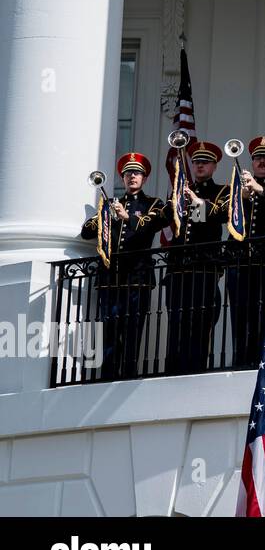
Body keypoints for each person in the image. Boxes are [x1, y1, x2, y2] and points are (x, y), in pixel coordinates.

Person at [79, 152, 168, 380]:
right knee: (109, 330)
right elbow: (86, 231)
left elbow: (156, 222)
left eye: (137, 174)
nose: (132, 177)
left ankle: (128, 374)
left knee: (132, 330)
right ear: (123, 178)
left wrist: (127, 217)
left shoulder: (152, 203)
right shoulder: (110, 204)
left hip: (137, 278)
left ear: (144, 179)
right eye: (128, 174)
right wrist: (105, 216)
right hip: (111, 279)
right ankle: (107, 374)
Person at [211, 135, 265, 369]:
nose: (261, 162)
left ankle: (264, 361)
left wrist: (260, 190)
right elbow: (217, 215)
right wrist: (240, 197)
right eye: (258, 157)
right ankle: (241, 360)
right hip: (240, 262)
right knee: (240, 315)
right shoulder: (237, 188)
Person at [163, 140, 225, 375]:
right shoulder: (182, 190)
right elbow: (167, 219)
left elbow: (217, 217)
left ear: (214, 166)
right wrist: (179, 200)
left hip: (203, 269)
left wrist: (198, 203)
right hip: (179, 270)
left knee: (200, 324)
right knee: (177, 324)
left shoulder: (220, 190)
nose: (199, 166)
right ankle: (174, 371)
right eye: (197, 161)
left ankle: (195, 370)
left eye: (205, 162)